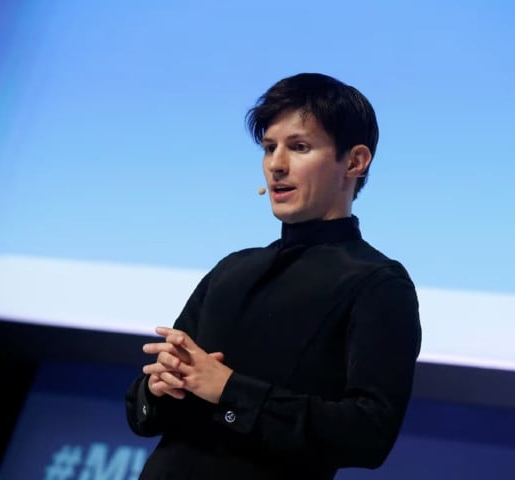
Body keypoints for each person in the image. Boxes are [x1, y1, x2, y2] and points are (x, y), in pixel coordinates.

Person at [125, 72, 422, 479]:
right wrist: (159, 387)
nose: (276, 165)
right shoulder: (232, 268)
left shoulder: (377, 283)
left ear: (354, 161)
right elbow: (143, 416)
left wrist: (230, 392)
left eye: (299, 147)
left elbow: (369, 433)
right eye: (269, 148)